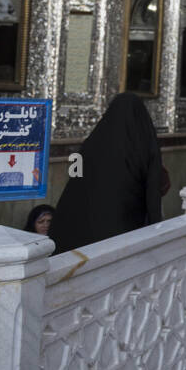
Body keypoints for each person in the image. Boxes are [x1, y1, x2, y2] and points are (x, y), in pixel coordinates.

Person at [49, 92, 165, 254]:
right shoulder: (143, 146)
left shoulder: (92, 143)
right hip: (120, 232)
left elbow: (75, 179)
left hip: (79, 231)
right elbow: (154, 188)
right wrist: (155, 228)